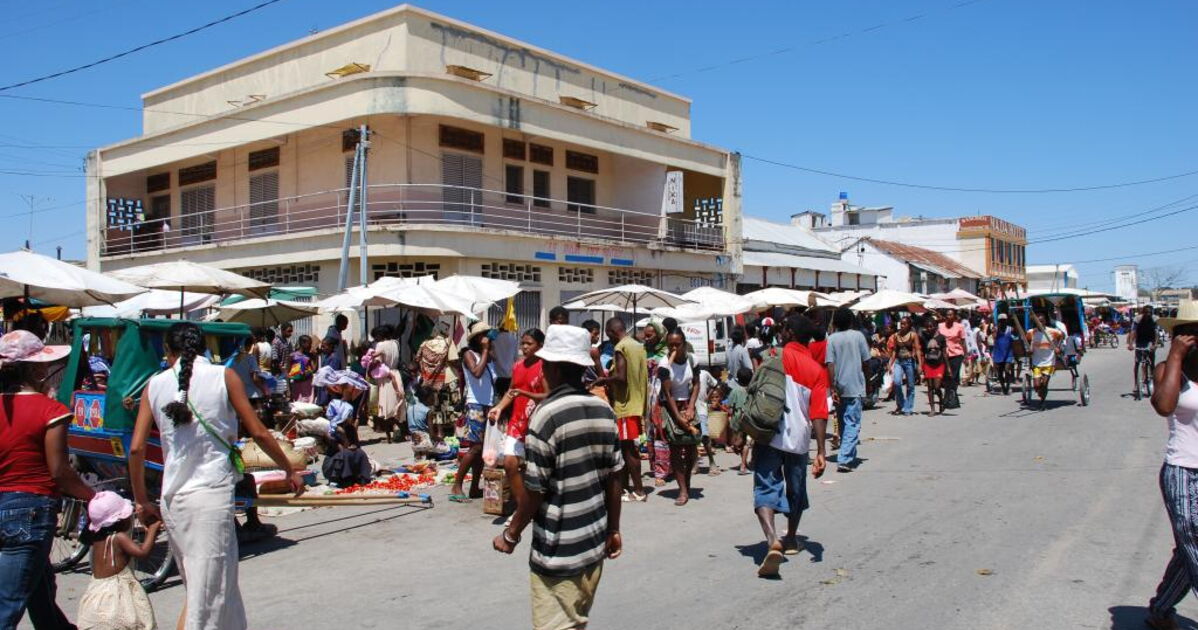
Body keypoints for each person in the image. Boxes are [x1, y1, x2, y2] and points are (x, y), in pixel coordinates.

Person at [130, 322, 304, 630]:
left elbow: (136, 449)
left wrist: (141, 500)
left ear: (168, 350)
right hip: (210, 499)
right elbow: (259, 432)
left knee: (204, 591)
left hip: (174, 500)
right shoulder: (223, 376)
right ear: (204, 347)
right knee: (208, 597)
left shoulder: (153, 385)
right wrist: (289, 469)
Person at [491, 325, 623, 630]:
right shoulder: (603, 409)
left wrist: (511, 534)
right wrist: (614, 528)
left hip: (558, 552)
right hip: (593, 544)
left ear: (552, 368)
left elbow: (535, 491)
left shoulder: (546, 415)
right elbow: (615, 478)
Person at [0, 330, 95, 630]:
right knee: (8, 605)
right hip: (31, 509)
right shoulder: (50, 410)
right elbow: (59, 471)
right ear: (36, 370)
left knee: (39, 592)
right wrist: (93, 498)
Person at [753, 315, 829, 578]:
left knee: (766, 486)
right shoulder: (817, 371)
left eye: (783, 329)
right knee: (796, 489)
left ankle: (772, 539)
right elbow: (819, 413)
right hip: (798, 440)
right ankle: (792, 538)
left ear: (789, 333)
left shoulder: (773, 355)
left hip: (768, 434)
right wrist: (821, 451)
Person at [1144, 301, 1198, 629]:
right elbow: (1164, 406)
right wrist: (1176, 357)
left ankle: (1161, 610)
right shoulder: (1168, 369)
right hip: (1182, 471)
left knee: (1187, 551)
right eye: (1188, 332)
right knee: (1194, 541)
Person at [488, 329, 548, 524]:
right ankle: (523, 509)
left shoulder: (545, 366)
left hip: (538, 422)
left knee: (534, 469)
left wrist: (526, 394)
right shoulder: (517, 366)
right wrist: (498, 408)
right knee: (510, 463)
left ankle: (533, 507)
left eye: (529, 344)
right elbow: (512, 391)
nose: (524, 347)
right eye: (522, 343)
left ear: (540, 346)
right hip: (517, 421)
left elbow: (548, 395)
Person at [76, 491, 160, 630]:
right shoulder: (119, 538)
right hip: (116, 598)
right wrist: (152, 530)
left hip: (95, 597)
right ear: (120, 520)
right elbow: (142, 552)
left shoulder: (97, 539)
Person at [593, 317, 648, 502]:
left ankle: (639, 490)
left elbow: (621, 377)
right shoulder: (637, 345)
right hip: (636, 402)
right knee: (626, 449)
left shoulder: (621, 347)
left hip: (625, 405)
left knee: (628, 450)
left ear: (612, 332)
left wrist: (604, 379)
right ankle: (625, 488)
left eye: (608, 335)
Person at [451, 322, 496, 503]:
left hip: (487, 404)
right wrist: (485, 350)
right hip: (476, 405)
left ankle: (475, 486)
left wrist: (488, 351)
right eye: (485, 335)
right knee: (475, 447)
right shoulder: (469, 354)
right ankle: (457, 485)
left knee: (482, 449)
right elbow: (476, 372)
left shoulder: (487, 355)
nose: (488, 338)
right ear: (478, 338)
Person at [825, 308, 870, 473]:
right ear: (851, 321)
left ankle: (849, 453)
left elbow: (830, 364)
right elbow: (866, 361)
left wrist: (832, 386)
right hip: (855, 385)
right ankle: (844, 458)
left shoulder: (831, 339)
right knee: (852, 423)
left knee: (843, 422)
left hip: (839, 387)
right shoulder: (858, 336)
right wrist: (868, 382)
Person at [659, 330, 701, 506]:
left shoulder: (692, 360)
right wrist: (677, 417)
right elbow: (667, 393)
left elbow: (697, 383)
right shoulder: (664, 364)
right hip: (671, 407)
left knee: (691, 447)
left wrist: (691, 407)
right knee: (676, 449)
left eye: (677, 344)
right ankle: (682, 490)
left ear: (684, 343)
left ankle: (687, 482)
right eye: (671, 345)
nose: (674, 348)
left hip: (687, 404)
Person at [372, 326, 406, 443]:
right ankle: (398, 430)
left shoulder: (380, 345)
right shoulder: (396, 343)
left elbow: (378, 362)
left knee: (386, 406)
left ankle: (388, 436)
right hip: (396, 374)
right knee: (397, 403)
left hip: (386, 376)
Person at [1026, 312, 1064, 409]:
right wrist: (1029, 350)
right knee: (1037, 385)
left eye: (1042, 321)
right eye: (1038, 321)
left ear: (1045, 322)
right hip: (1036, 362)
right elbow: (1027, 342)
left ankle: (1042, 402)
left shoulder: (1052, 331)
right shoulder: (1031, 332)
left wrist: (1058, 347)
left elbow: (1062, 335)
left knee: (1044, 384)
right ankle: (1041, 393)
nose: (1040, 323)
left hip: (1049, 362)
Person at [887, 317, 922, 416]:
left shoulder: (913, 335)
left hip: (909, 361)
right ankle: (900, 404)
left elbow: (917, 349)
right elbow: (895, 350)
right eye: (901, 323)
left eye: (904, 324)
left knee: (910, 385)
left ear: (909, 325)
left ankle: (908, 407)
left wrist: (920, 364)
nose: (902, 325)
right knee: (897, 382)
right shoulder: (896, 335)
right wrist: (890, 363)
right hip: (899, 361)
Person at [695, 368, 722, 475]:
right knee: (692, 439)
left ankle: (712, 462)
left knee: (705, 437)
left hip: (701, 408)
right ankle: (695, 464)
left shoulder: (704, 374)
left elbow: (715, 384)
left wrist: (707, 396)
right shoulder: (685, 373)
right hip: (689, 409)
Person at [938, 309, 968, 407]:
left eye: (951, 315)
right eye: (947, 315)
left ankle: (947, 398)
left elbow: (963, 341)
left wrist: (966, 355)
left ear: (954, 316)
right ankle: (952, 396)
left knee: (952, 376)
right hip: (944, 354)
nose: (948, 316)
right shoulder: (940, 326)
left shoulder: (959, 326)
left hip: (956, 354)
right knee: (946, 376)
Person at [728, 367, 753, 475]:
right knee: (746, 442)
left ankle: (743, 463)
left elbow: (730, 408)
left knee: (740, 442)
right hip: (749, 418)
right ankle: (743, 465)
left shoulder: (735, 391)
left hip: (737, 419)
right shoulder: (752, 391)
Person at [1131, 304, 1160, 395]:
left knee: (1151, 361)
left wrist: (1155, 344)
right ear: (1143, 312)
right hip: (1140, 340)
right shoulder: (1137, 319)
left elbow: (1156, 332)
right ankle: (1136, 384)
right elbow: (1133, 331)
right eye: (1146, 312)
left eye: (1150, 312)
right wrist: (1131, 344)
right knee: (1137, 362)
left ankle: (1153, 381)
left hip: (1151, 340)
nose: (1148, 314)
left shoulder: (1155, 319)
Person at [921, 318, 947, 415]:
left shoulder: (941, 338)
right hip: (928, 364)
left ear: (935, 327)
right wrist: (920, 366)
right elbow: (922, 352)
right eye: (927, 327)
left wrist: (948, 367)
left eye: (931, 326)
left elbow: (944, 353)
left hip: (939, 364)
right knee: (930, 387)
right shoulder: (924, 337)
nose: (929, 328)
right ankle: (932, 409)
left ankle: (941, 400)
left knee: (937, 386)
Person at [288, 335, 318, 403]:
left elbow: (314, 369)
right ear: (302, 343)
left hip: (308, 384)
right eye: (309, 343)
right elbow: (288, 373)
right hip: (297, 385)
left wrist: (315, 357)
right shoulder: (292, 356)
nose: (310, 346)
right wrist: (289, 389)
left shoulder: (309, 356)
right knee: (298, 405)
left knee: (308, 405)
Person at [991, 316, 1017, 395]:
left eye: (1003, 320)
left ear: (1006, 321)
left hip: (1008, 353)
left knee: (1006, 370)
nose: (1002, 322)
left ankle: (1008, 385)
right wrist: (995, 330)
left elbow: (1016, 337)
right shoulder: (996, 329)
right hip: (999, 353)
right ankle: (1003, 387)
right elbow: (994, 337)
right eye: (1000, 321)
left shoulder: (1010, 329)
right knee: (1000, 373)